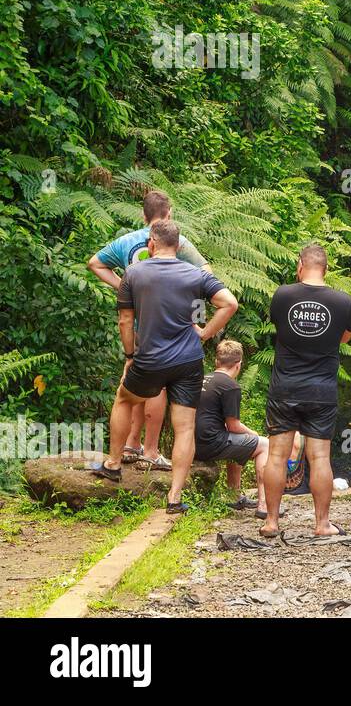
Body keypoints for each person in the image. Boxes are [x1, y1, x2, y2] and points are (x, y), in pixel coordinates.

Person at [91, 220, 238, 514]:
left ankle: (114, 463)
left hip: (150, 359)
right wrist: (205, 333)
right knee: (184, 427)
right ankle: (174, 497)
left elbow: (125, 320)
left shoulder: (133, 273)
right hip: (188, 360)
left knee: (124, 398)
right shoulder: (195, 274)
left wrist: (130, 354)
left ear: (151, 245)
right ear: (179, 246)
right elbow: (229, 303)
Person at [87, 189, 209, 469]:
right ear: (169, 214)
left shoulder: (127, 241)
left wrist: (124, 288)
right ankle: (150, 449)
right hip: (172, 327)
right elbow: (205, 277)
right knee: (159, 387)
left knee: (133, 384)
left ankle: (130, 444)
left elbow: (95, 263)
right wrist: (197, 319)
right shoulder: (180, 242)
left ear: (143, 215)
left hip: (138, 325)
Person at [258, 245, 351, 538]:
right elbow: (344, 337)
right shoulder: (342, 301)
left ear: (301, 265)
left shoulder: (283, 295)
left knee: (276, 455)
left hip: (284, 388)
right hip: (321, 390)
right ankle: (322, 524)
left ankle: (271, 522)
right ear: (325, 268)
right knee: (320, 457)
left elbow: (278, 326)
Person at [194, 340, 270, 515]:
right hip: (209, 443)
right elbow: (234, 426)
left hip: (191, 443)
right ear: (239, 365)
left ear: (216, 362)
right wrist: (255, 435)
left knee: (238, 442)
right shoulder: (230, 386)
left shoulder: (203, 379)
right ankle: (264, 505)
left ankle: (233, 495)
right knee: (264, 444)